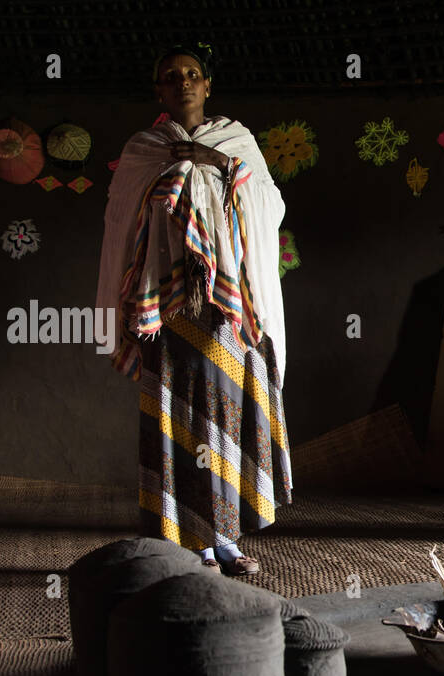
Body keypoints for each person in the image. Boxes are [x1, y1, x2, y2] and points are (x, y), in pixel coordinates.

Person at [96, 43, 291, 574]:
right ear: (158, 91)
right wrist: (175, 178)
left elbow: (269, 210)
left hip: (227, 310)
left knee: (225, 415)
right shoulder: (145, 149)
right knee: (177, 415)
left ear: (207, 86)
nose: (182, 82)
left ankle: (225, 539)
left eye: (192, 74)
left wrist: (222, 167)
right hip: (166, 306)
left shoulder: (236, 143)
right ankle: (191, 545)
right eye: (170, 77)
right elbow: (123, 222)